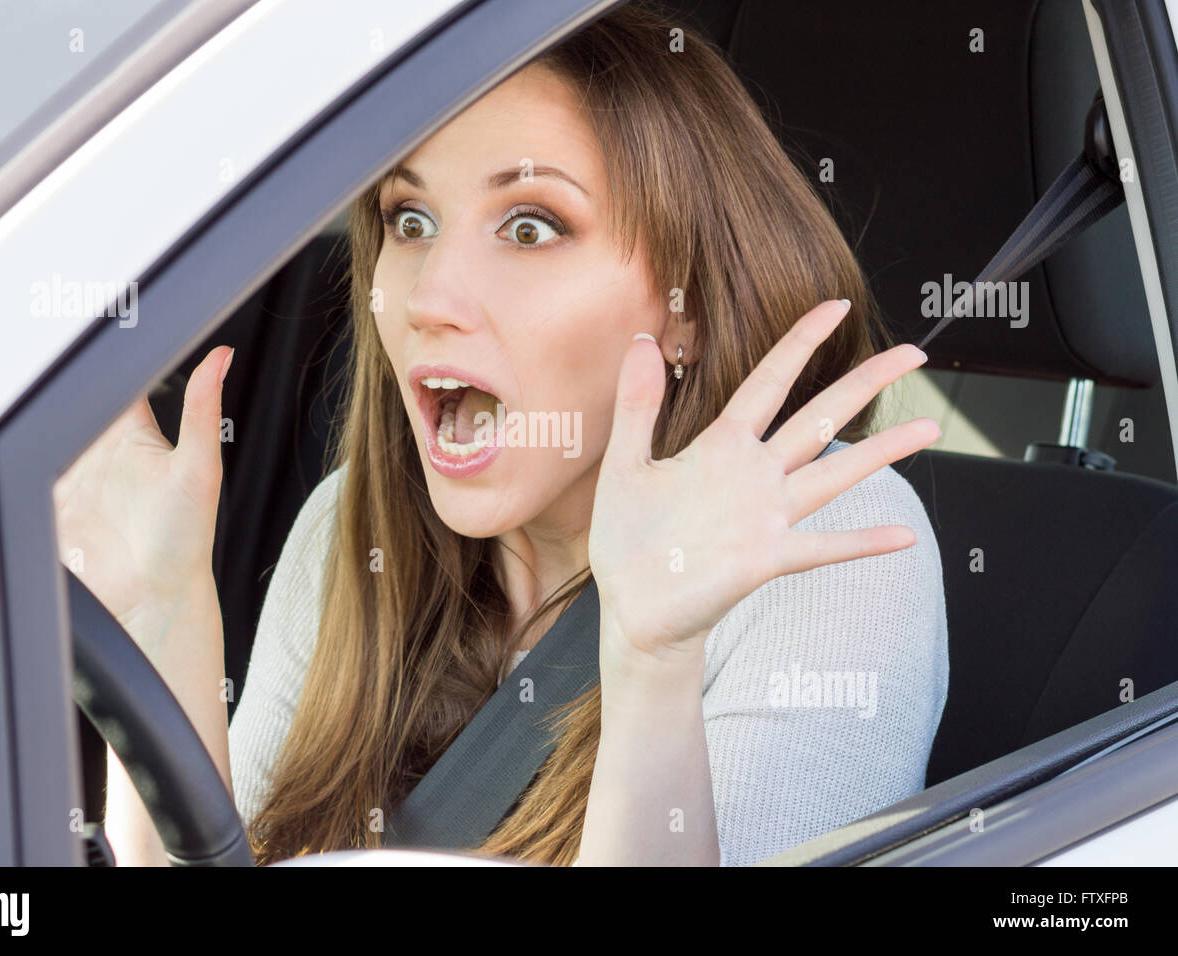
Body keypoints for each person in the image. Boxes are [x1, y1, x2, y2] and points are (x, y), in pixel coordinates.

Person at [55, 2, 947, 867]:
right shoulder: (348, 530)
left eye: (529, 227)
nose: (428, 298)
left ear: (689, 309)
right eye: (411, 221)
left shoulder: (821, 541)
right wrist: (158, 618)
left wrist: (651, 660)